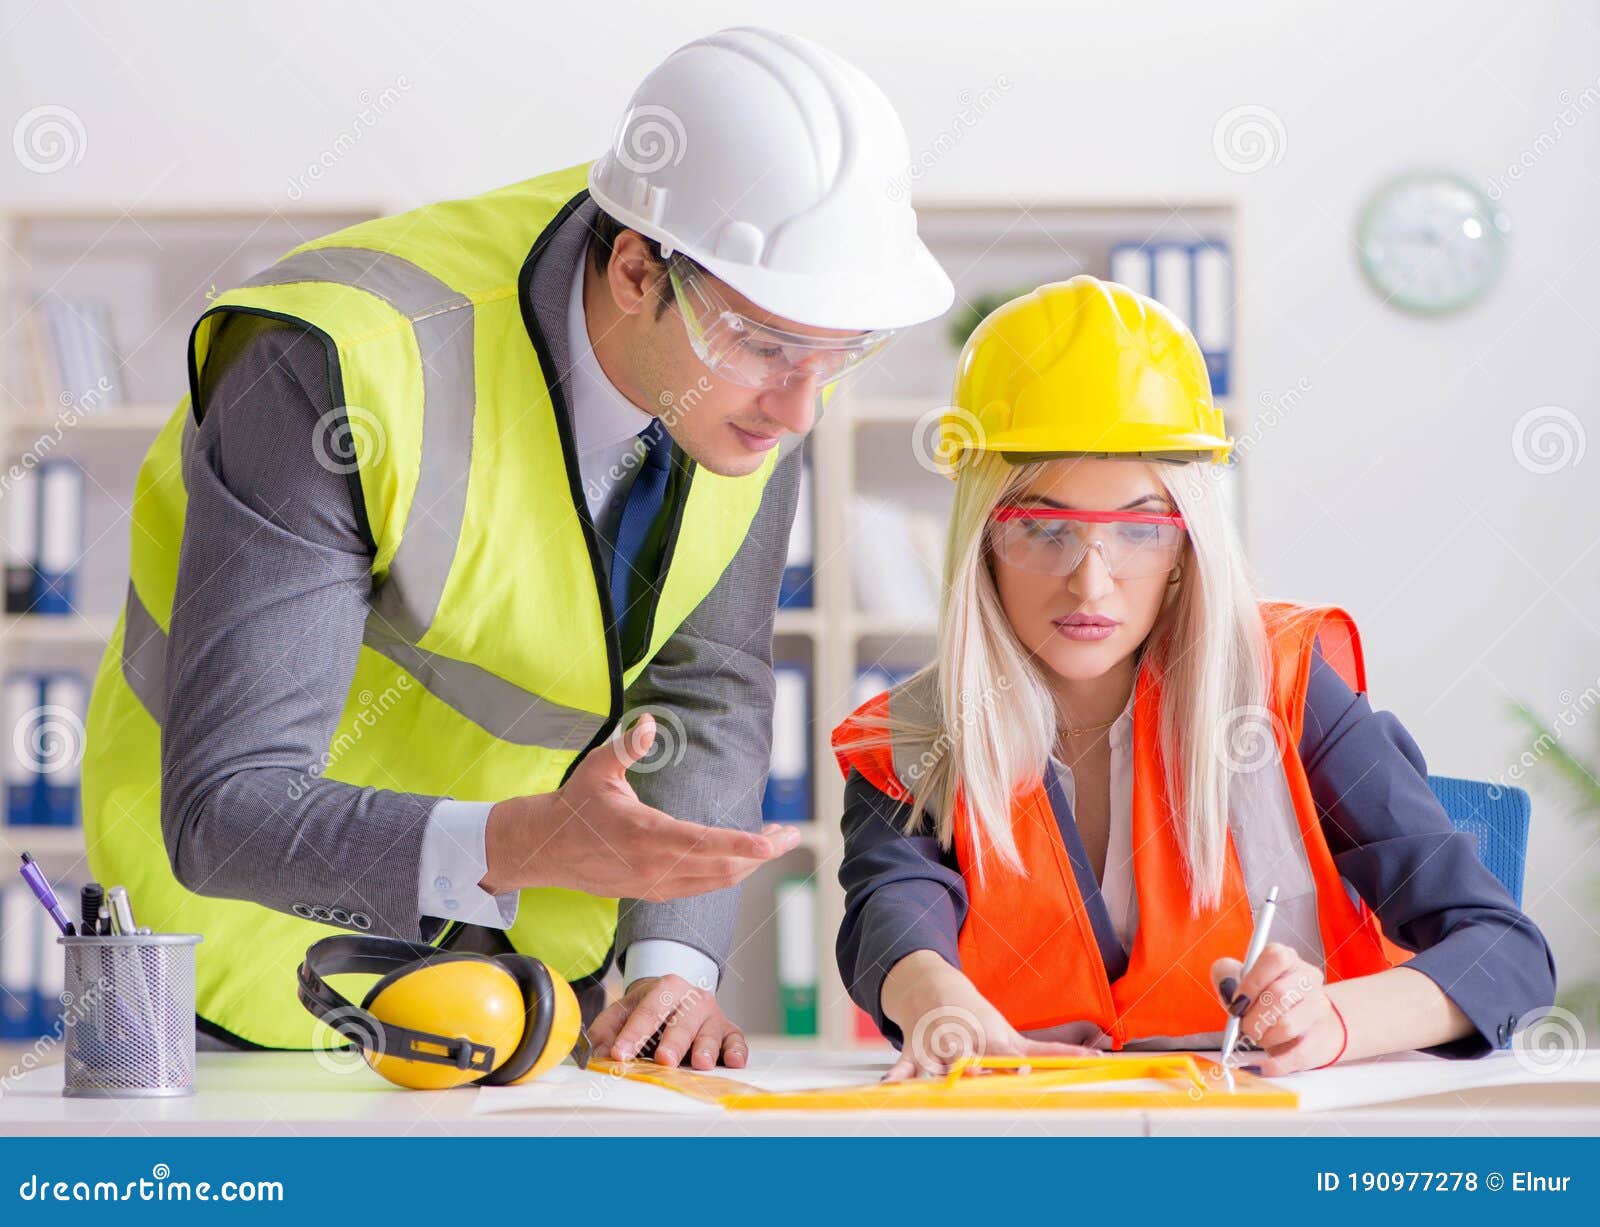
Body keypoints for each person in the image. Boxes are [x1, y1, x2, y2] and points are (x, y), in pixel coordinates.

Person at [80, 27, 953, 1067]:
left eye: (840, 351)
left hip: (534, 999)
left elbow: (709, 681)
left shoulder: (752, 356)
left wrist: (673, 972)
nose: (802, 407)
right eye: (768, 346)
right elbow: (228, 803)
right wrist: (516, 843)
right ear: (636, 269)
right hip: (243, 977)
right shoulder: (333, 366)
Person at [832, 276, 1556, 1080]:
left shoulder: (1286, 686)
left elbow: (1506, 954)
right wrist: (933, 994)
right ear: (979, 541)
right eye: (1040, 527)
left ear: (1187, 544)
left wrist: (1334, 1019)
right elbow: (887, 910)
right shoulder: (910, 737)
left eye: (1140, 530)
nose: (1091, 584)